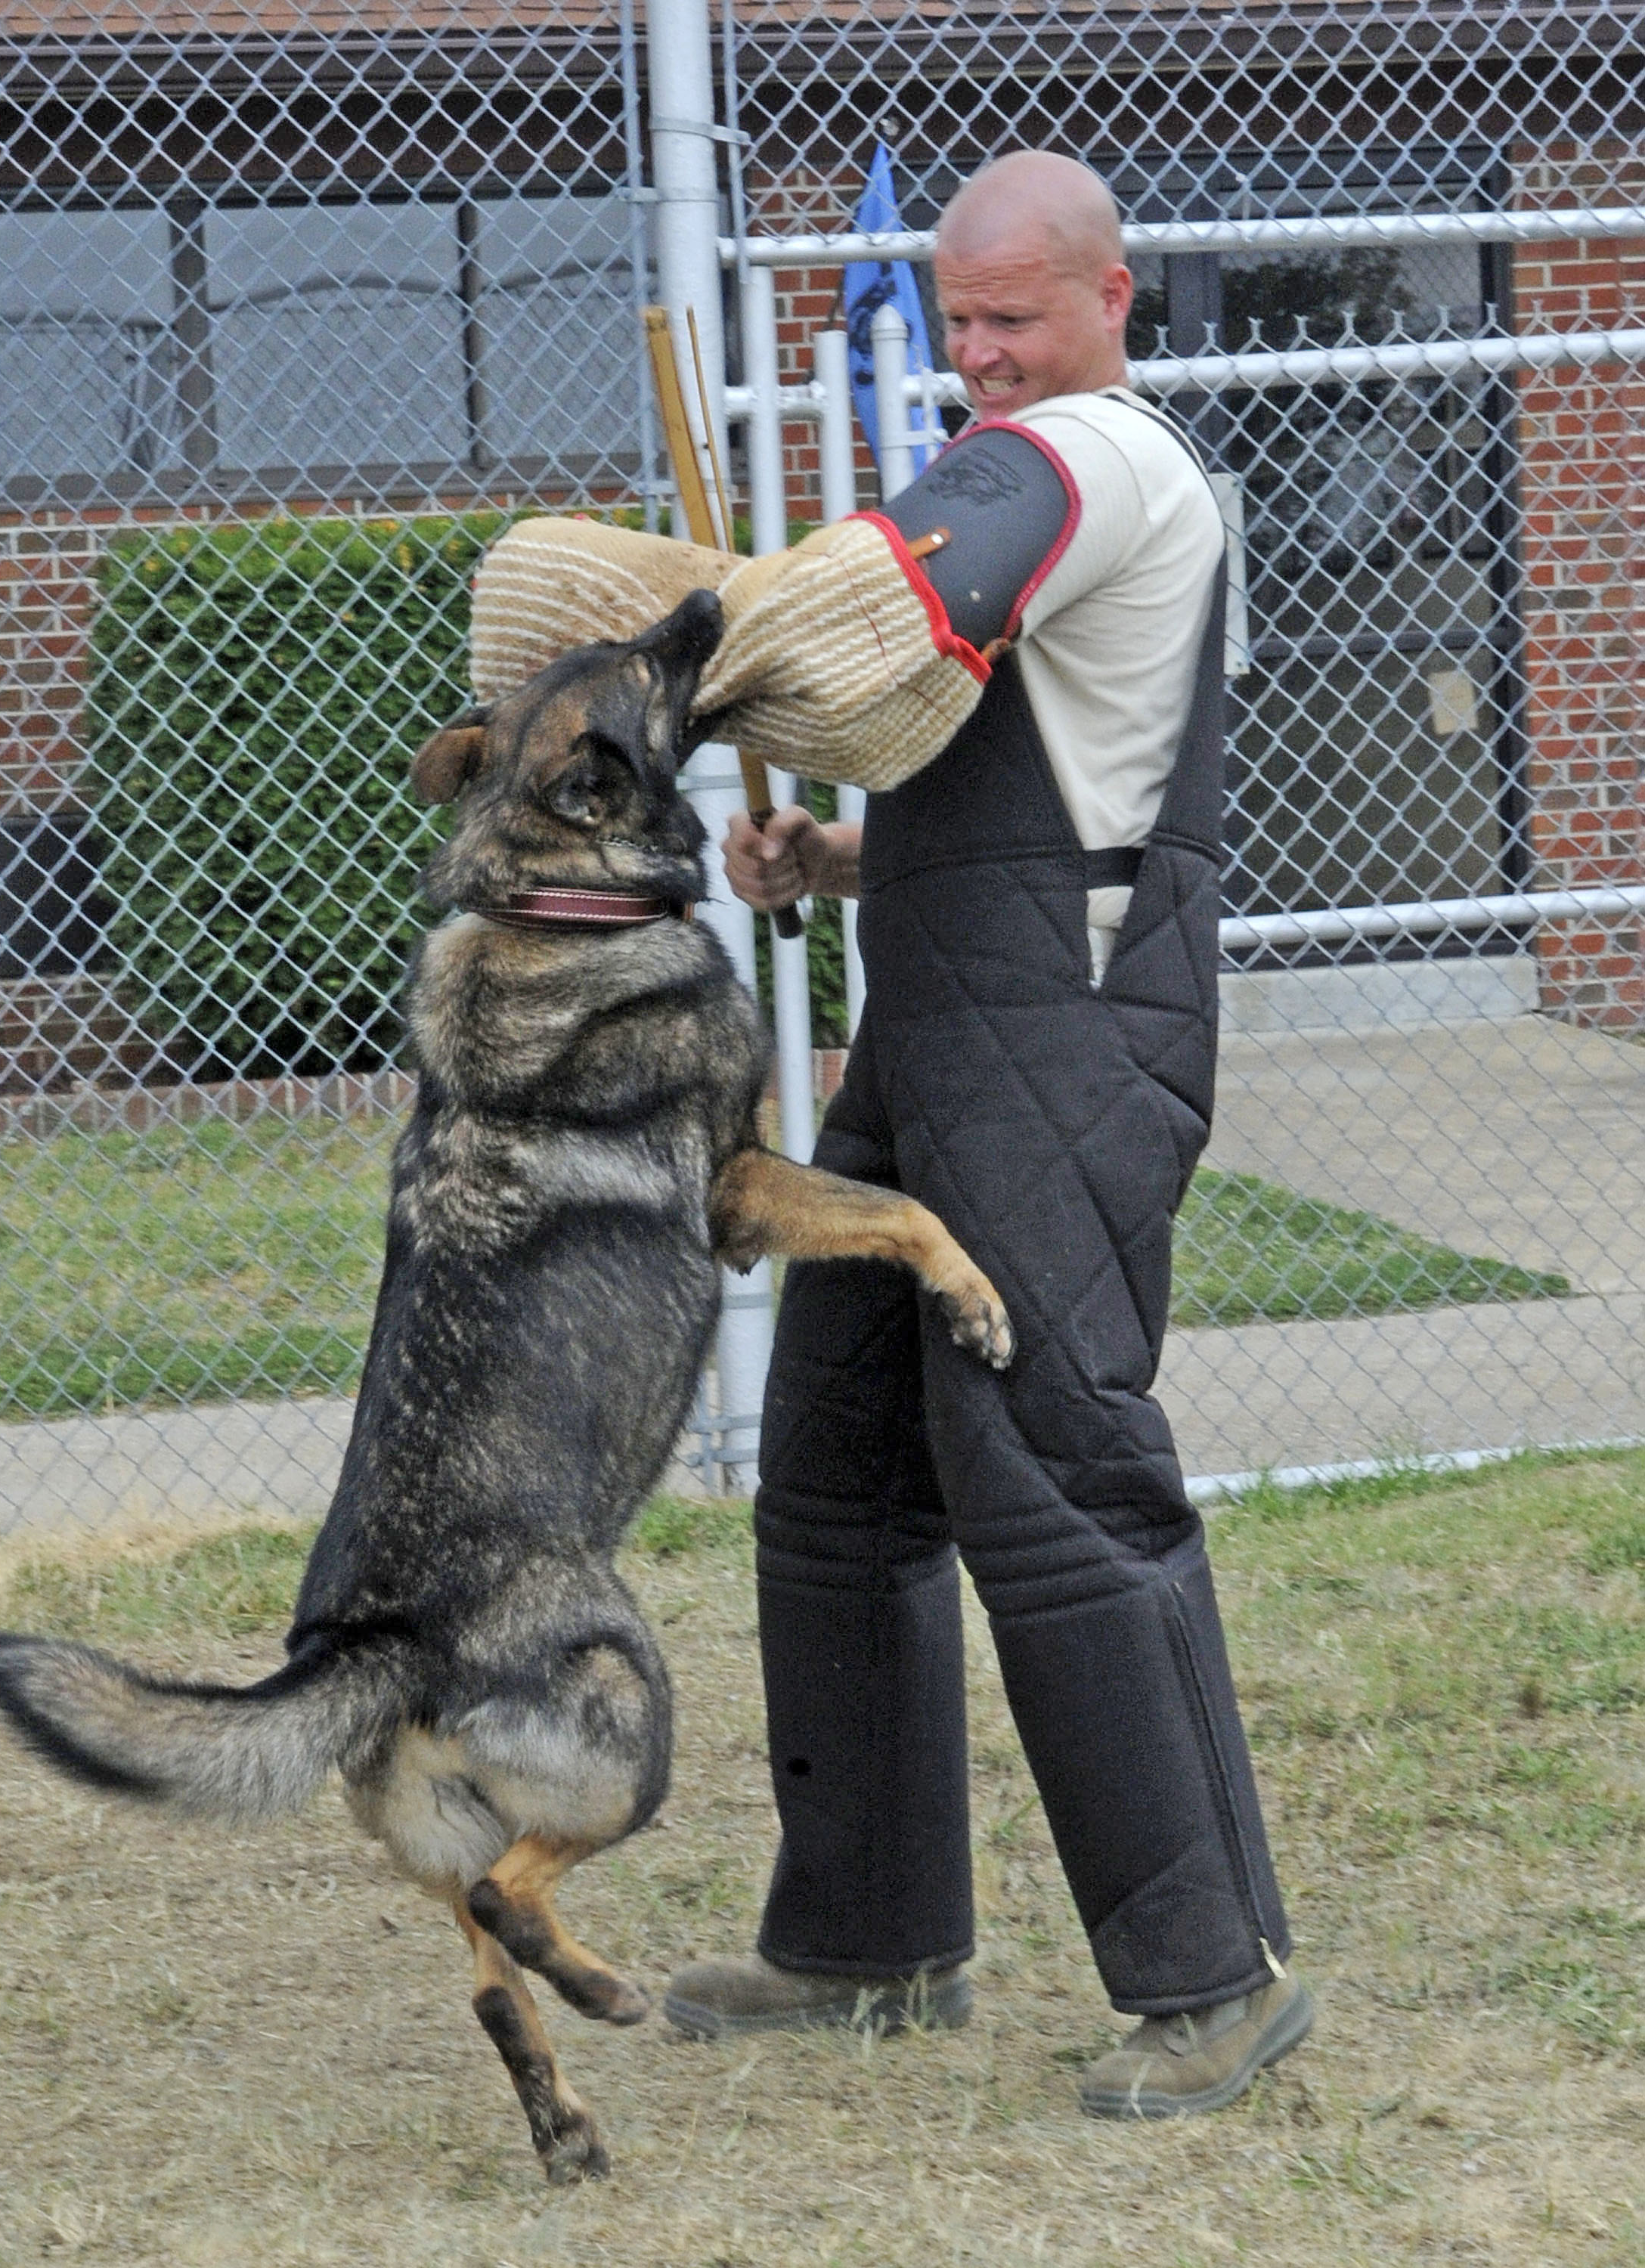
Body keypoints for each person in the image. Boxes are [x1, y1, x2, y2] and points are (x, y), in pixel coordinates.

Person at [661, 150, 1315, 2118]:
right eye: (957, 324)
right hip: (941, 1024)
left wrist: (667, 648)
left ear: (1117, 300)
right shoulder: (1037, 464)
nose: (982, 358)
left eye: (1015, 315)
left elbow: (894, 604)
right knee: (843, 1473)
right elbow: (1009, 782)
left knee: (1058, 1474)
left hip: (1072, 1039)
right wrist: (834, 855)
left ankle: (1214, 1980)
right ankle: (869, 1943)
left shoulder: (1096, 459)